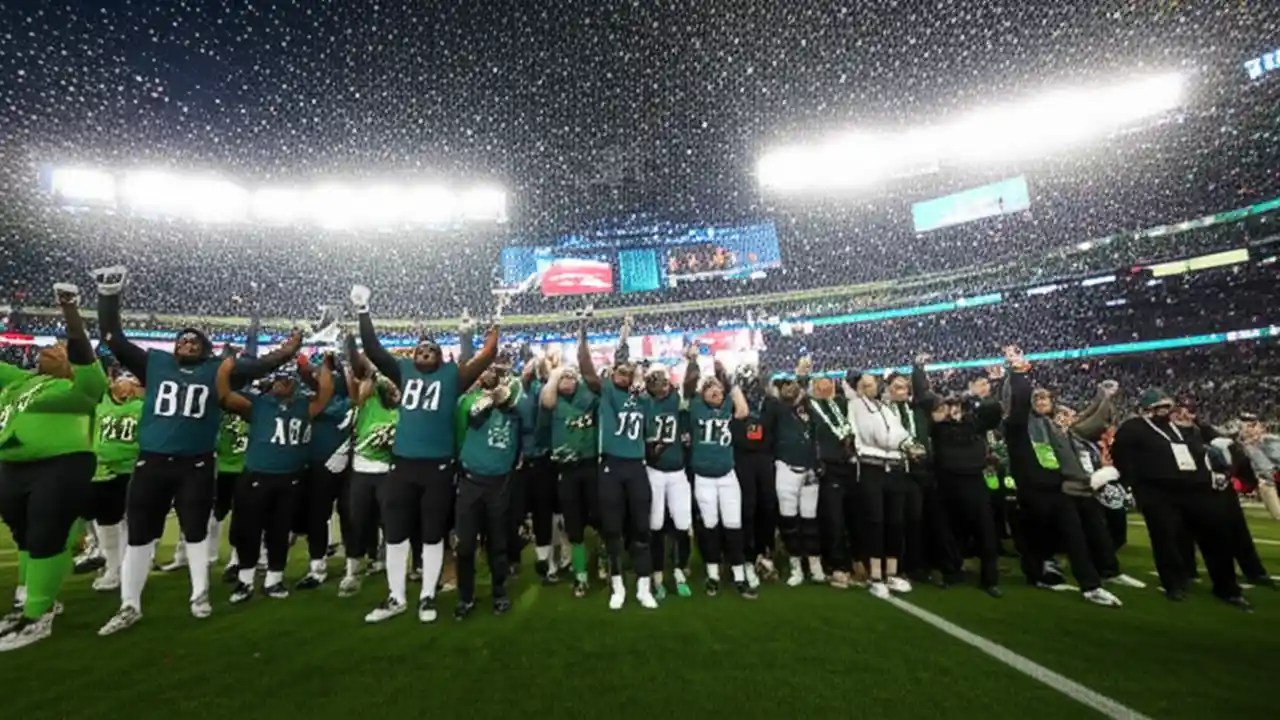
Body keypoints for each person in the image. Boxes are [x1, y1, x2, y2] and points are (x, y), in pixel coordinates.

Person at [94, 266, 301, 636]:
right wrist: (109, 296)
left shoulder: (216, 370)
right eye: (182, 339)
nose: (187, 344)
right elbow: (115, 340)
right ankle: (129, 604)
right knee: (141, 532)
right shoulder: (154, 363)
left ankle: (199, 594)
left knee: (194, 530)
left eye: (194, 341)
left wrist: (289, 349)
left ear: (205, 349)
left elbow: (261, 366)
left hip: (196, 463)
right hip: (152, 461)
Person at [352, 284, 498, 624]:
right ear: (414, 356)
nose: (425, 351)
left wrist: (484, 331)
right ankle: (396, 596)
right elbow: (372, 348)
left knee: (433, 533)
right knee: (396, 532)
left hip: (438, 468)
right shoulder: (403, 371)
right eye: (421, 348)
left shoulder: (453, 377)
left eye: (432, 348)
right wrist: (363, 310)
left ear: (440, 356)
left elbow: (485, 357)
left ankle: (428, 596)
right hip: (403, 465)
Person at [0, 282, 108, 651]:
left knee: (46, 533)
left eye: (57, 347)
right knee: (26, 535)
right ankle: (29, 602)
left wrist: (70, 312)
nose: (49, 347)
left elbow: (83, 354)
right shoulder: (20, 381)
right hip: (13, 465)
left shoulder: (81, 386)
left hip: (61, 465)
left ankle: (38, 618)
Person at [1001, 346, 1123, 608]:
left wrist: (1103, 397)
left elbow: (1086, 425)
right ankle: (1039, 575)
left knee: (1074, 536)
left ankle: (1091, 586)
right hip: (1031, 490)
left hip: (1057, 488)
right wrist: (1018, 373)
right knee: (1037, 539)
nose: (1040, 403)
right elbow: (1020, 400)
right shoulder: (1016, 426)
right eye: (1036, 400)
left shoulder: (1049, 425)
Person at [1112, 389, 1249, 609]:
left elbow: (1199, 450)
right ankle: (1174, 584)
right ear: (1147, 409)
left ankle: (1227, 587)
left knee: (1216, 535)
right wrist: (1135, 486)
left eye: (1168, 406)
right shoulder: (1133, 428)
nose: (1167, 411)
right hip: (1157, 491)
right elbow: (1121, 457)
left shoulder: (1181, 428)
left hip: (1193, 487)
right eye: (1160, 407)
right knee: (1165, 538)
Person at [221, 355, 335, 603]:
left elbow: (326, 388)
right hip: (256, 477)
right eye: (278, 379)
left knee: (279, 532)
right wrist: (225, 369)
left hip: (290, 479)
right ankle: (245, 580)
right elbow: (225, 396)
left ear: (295, 383)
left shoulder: (305, 405)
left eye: (287, 379)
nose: (281, 383)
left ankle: (274, 579)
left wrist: (319, 367)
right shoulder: (258, 404)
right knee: (249, 531)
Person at [579, 315, 657, 611]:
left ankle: (644, 587)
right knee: (613, 530)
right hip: (611, 466)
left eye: (629, 372)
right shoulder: (607, 392)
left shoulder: (642, 398)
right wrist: (585, 336)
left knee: (641, 529)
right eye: (620, 371)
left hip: (636, 466)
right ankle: (617, 586)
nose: (624, 375)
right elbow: (587, 370)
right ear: (612, 373)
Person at [928, 369, 1005, 597]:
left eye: (957, 407)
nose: (954, 411)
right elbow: (924, 404)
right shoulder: (938, 428)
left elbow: (994, 410)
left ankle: (990, 579)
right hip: (946, 483)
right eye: (949, 407)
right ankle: (952, 572)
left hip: (973, 481)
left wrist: (978, 396)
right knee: (947, 531)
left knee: (985, 530)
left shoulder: (975, 425)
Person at [684, 355, 755, 599]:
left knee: (734, 526)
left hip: (727, 476)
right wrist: (694, 362)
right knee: (710, 527)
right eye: (710, 388)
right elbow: (688, 387)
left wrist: (727, 378)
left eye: (718, 388)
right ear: (702, 393)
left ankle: (739, 575)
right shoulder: (696, 407)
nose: (715, 391)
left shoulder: (727, 406)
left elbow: (743, 410)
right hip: (704, 477)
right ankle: (713, 574)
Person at [454, 365, 521, 619]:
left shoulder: (516, 408)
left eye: (497, 371)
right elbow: (471, 417)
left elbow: (519, 397)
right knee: (466, 544)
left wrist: (505, 395)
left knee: (498, 543)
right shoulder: (471, 400)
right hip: (471, 481)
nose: (490, 374)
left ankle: (499, 591)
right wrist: (491, 399)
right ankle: (465, 596)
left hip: (500, 483)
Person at [847, 370, 916, 599]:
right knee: (875, 521)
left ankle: (892, 573)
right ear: (858, 388)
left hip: (894, 468)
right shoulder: (857, 406)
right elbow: (875, 434)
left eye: (872, 383)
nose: (870, 387)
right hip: (871, 467)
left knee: (895, 521)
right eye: (865, 384)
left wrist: (906, 443)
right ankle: (876, 575)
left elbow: (899, 432)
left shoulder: (884, 407)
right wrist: (901, 444)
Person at [296, 352, 355, 590]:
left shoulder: (330, 402)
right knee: (323, 517)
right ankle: (330, 566)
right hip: (326, 464)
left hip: (331, 464)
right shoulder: (329, 400)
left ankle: (329, 567)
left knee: (332, 517)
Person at [343, 349, 399, 598]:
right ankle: (351, 571)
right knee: (358, 521)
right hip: (363, 470)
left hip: (389, 472)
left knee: (390, 523)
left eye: (396, 388)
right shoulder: (369, 400)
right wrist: (359, 352)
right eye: (388, 387)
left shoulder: (404, 410)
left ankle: (387, 566)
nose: (392, 391)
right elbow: (361, 370)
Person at [540, 362, 599, 598]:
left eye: (570, 378)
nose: (566, 382)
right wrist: (555, 375)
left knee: (600, 518)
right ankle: (581, 574)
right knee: (573, 524)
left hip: (590, 466)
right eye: (562, 379)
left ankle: (604, 561)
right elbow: (547, 400)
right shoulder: (554, 402)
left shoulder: (589, 397)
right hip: (567, 470)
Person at [86, 371, 144, 593]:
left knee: (132, 523)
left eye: (131, 381)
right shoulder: (101, 403)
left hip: (132, 471)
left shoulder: (142, 406)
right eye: (121, 381)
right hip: (103, 472)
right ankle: (112, 568)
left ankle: (129, 567)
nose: (125, 385)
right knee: (107, 523)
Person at [769, 362, 820, 587]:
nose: (788, 388)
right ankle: (795, 565)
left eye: (791, 384)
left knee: (810, 521)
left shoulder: (809, 407)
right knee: (789, 521)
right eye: (783, 386)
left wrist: (803, 378)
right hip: (786, 468)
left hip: (808, 469)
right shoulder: (776, 409)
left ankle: (815, 564)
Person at [644, 363, 692, 599]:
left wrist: (691, 362)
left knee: (682, 523)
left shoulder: (677, 400)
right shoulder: (644, 403)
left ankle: (680, 571)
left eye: (662, 380)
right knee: (655, 525)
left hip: (677, 471)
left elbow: (690, 386)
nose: (660, 385)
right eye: (654, 380)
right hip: (654, 471)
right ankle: (657, 576)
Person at [730, 359, 779, 589]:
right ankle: (747, 557)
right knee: (747, 508)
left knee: (768, 506)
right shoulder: (733, 403)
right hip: (743, 458)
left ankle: (765, 553)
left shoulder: (769, 402)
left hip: (764, 457)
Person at [517, 355, 558, 584]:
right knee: (537, 514)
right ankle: (544, 560)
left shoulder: (542, 391)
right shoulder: (521, 391)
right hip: (527, 461)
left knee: (544, 514)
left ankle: (546, 562)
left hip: (540, 459)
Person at [1237, 412, 1280, 520]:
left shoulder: (1272, 440)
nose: (1249, 430)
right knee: (1265, 482)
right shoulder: (1245, 447)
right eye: (1246, 427)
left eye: (1252, 426)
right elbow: (1264, 470)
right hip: (1266, 478)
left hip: (1273, 475)